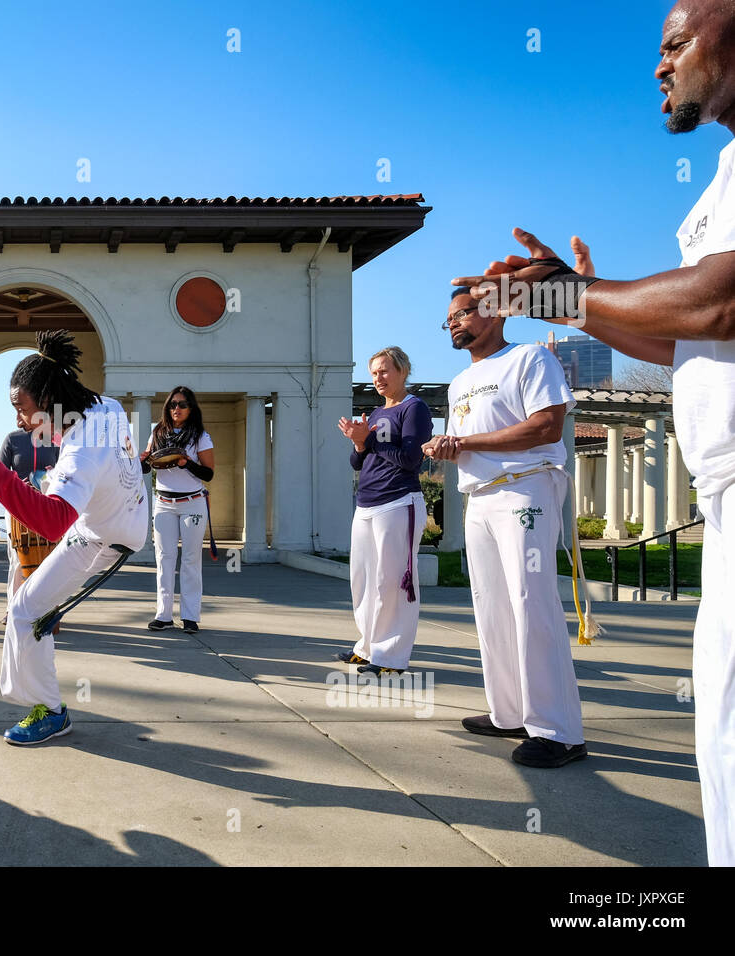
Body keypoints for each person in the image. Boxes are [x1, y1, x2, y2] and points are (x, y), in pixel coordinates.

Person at [450, 0, 735, 864]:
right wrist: (572, 291)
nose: (660, 64)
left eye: (677, 42)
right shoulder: (723, 176)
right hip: (722, 494)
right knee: (721, 739)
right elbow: (682, 331)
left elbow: (720, 299)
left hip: (531, 496)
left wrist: (568, 298)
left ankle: (553, 726)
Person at [0, 329, 148, 745]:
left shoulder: (81, 448)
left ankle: (52, 711)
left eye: (20, 407)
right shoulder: (104, 407)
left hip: (101, 536)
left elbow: (54, 522)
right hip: (119, 521)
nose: (18, 420)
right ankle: (42, 696)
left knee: (26, 612)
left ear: (46, 398)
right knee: (29, 608)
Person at [422, 291, 585, 769]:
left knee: (531, 603)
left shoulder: (529, 358)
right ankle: (510, 712)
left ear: (496, 313)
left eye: (464, 313)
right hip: (479, 496)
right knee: (491, 608)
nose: (455, 323)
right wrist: (447, 446)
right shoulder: (460, 383)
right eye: (448, 318)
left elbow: (546, 427)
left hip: (525, 488)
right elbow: (465, 443)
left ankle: (559, 730)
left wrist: (465, 441)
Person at [336, 349, 433, 675]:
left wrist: (371, 442)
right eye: (374, 373)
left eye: (384, 371)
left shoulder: (415, 408)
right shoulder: (376, 412)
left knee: (392, 583)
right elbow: (358, 463)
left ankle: (391, 657)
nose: (378, 378)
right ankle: (367, 647)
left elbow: (410, 460)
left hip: (398, 502)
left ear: (403, 370)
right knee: (362, 581)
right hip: (366, 504)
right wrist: (359, 442)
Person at [141, 386, 214, 634]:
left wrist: (186, 463)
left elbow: (209, 473)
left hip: (192, 502)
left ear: (191, 408)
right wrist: (142, 461)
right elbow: (148, 468)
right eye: (173, 404)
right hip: (163, 504)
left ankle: (190, 616)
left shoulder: (200, 436)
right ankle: (163, 615)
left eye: (182, 404)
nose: (176, 409)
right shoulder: (158, 433)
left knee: (191, 560)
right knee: (164, 559)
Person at [0, 419, 60, 623]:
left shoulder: (54, 440)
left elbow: (65, 473)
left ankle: (46, 609)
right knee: (18, 557)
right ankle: (13, 608)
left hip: (45, 504)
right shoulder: (12, 439)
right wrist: (16, 482)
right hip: (17, 505)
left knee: (49, 557)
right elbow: (0, 474)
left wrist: (52, 474)